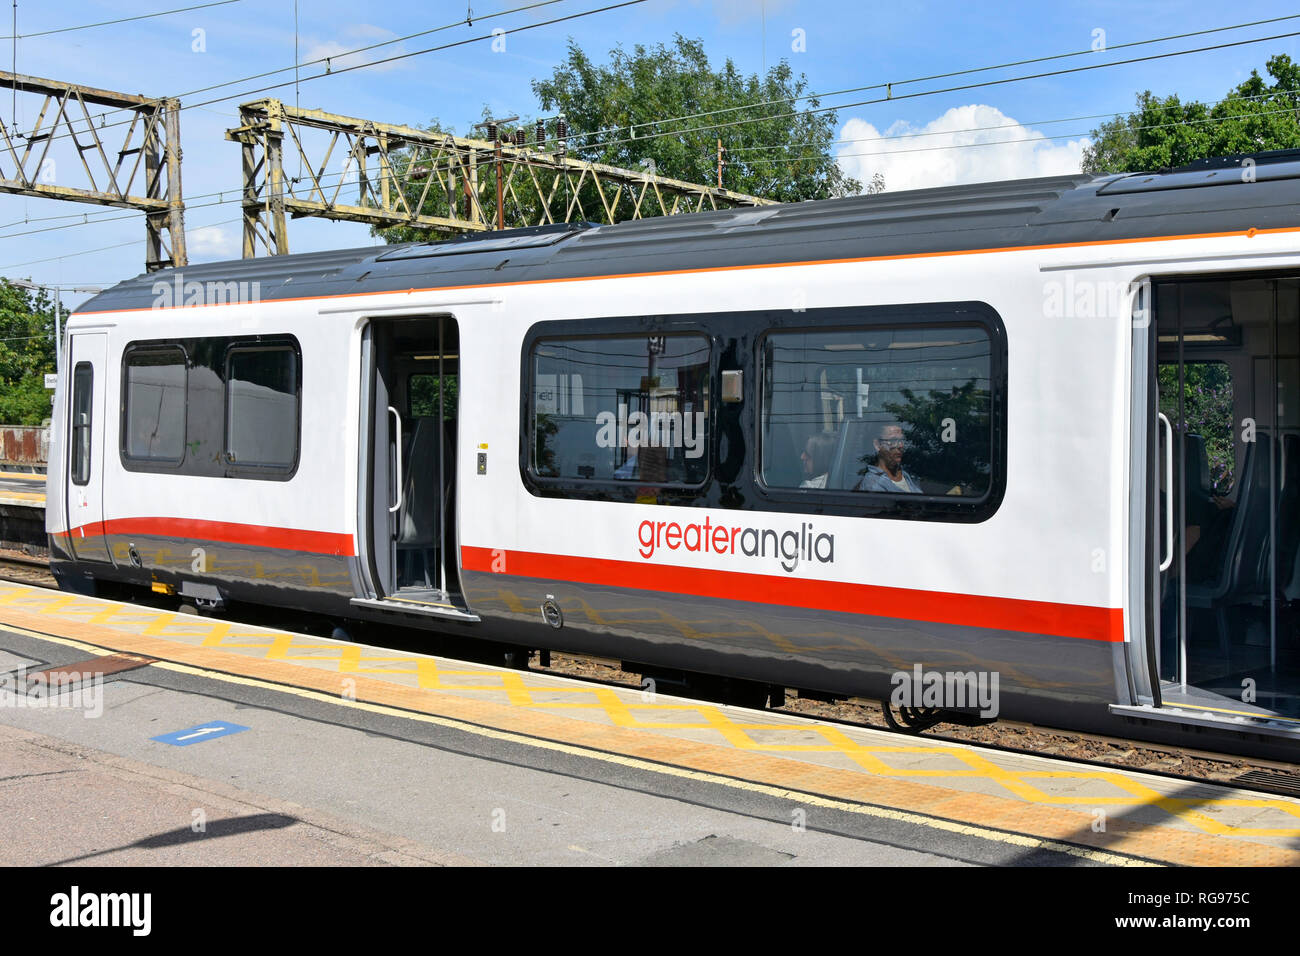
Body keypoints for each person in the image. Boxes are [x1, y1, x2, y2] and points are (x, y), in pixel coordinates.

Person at [855, 423, 922, 493]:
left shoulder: (907, 474)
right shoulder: (873, 485)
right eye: (893, 440)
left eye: (902, 440)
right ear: (877, 445)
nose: (900, 446)